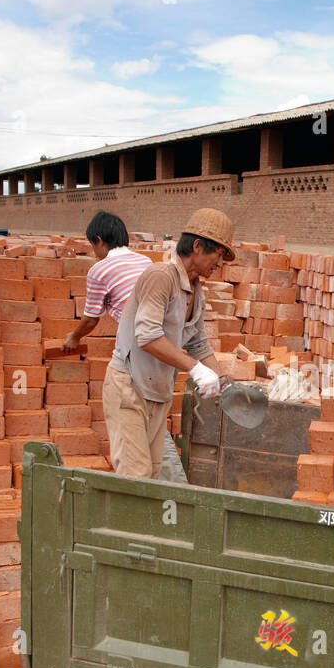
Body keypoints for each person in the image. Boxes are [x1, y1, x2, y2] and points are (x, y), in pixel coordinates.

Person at [102, 207, 232, 479]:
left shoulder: (196, 291)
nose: (219, 264)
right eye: (218, 254)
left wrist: (223, 380)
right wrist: (195, 369)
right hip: (129, 387)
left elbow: (198, 345)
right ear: (197, 246)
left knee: (152, 475)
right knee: (135, 477)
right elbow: (147, 336)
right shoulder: (161, 276)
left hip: (157, 393)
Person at [62, 211, 188, 483]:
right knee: (149, 456)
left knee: (135, 469)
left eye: (92, 247)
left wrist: (73, 337)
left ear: (98, 241)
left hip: (135, 357)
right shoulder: (145, 261)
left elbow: (92, 317)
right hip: (160, 363)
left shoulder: (99, 268)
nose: (94, 253)